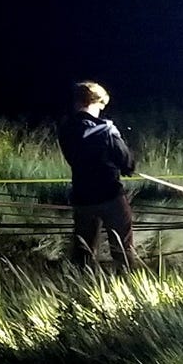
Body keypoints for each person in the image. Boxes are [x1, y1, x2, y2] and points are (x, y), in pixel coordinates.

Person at [59, 81, 138, 268]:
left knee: (83, 249)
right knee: (122, 248)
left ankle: (81, 285)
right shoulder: (106, 130)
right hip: (110, 195)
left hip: (82, 196)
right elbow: (127, 163)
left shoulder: (66, 129)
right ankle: (128, 285)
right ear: (97, 102)